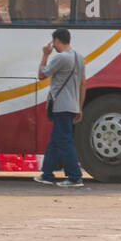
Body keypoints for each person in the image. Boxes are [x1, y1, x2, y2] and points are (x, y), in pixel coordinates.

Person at [35, 27, 86, 187]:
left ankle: (74, 177)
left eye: (54, 43)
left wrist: (45, 54)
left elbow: (42, 74)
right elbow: (83, 84)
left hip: (61, 105)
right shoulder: (79, 57)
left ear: (56, 41)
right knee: (55, 141)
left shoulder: (62, 58)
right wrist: (80, 107)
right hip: (72, 105)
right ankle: (47, 175)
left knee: (64, 141)